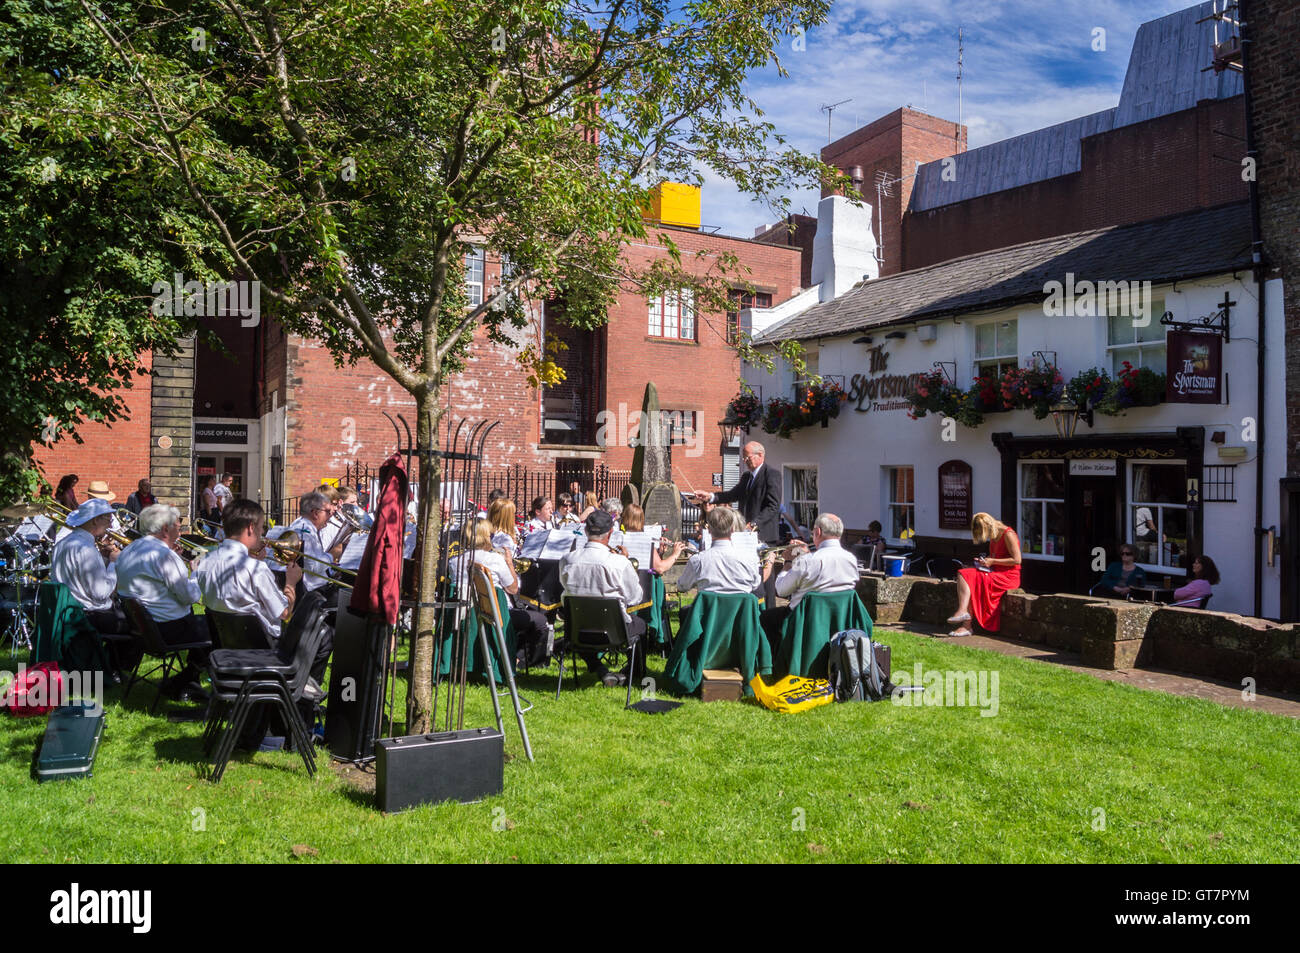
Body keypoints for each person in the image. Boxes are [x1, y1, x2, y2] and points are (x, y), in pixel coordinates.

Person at [115, 504, 212, 699]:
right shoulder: (164, 556)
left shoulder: (129, 549)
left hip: (143, 630)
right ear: (165, 529)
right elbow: (190, 597)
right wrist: (196, 573)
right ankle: (184, 681)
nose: (180, 530)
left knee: (204, 623)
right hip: (167, 630)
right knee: (217, 626)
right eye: (178, 525)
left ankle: (187, 681)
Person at [559, 509, 646, 686]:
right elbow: (635, 598)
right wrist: (628, 565)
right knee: (640, 624)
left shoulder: (567, 559)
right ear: (610, 533)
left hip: (577, 630)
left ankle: (599, 668)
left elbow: (565, 592)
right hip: (615, 632)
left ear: (585, 531)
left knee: (581, 617)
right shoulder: (620, 563)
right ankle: (634, 671)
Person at [195, 499, 303, 642]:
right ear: (251, 528)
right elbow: (284, 613)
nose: (263, 532)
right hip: (262, 647)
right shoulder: (257, 569)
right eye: (261, 527)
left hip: (223, 645)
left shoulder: (205, 561)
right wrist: (291, 582)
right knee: (322, 636)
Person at [454, 519, 549, 668]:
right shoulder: (495, 560)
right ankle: (522, 661)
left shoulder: (455, 561)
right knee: (540, 621)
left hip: (466, 613)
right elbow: (513, 589)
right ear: (486, 536)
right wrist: (509, 563)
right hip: (495, 614)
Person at [758, 513, 859, 649]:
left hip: (803, 620)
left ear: (817, 532)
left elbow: (781, 590)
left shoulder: (807, 561)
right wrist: (806, 555)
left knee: (762, 619)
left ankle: (773, 664)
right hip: (837, 620)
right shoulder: (851, 559)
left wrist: (788, 563)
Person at [51, 498, 128, 637]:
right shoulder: (86, 549)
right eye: (108, 519)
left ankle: (106, 657)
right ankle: (109, 658)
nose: (110, 525)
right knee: (143, 629)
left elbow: (80, 577)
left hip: (69, 613)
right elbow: (101, 593)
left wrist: (104, 558)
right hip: (90, 616)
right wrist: (114, 563)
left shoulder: (62, 543)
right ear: (94, 520)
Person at [692, 441, 782, 545]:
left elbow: (773, 506)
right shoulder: (746, 477)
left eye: (748, 458)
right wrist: (710, 496)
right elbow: (732, 495)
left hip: (763, 535)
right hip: (744, 533)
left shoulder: (771, 474)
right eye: (743, 458)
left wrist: (754, 524)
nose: (745, 461)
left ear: (760, 455)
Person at [947, 512, 1022, 637]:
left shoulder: (1008, 534)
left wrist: (992, 561)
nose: (985, 536)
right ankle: (965, 619)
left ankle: (965, 620)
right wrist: (985, 562)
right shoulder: (994, 535)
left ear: (987, 526)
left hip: (1008, 577)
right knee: (966, 574)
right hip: (996, 572)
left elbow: (1017, 560)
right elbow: (994, 558)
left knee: (966, 575)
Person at [677, 506, 768, 595]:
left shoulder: (698, 560)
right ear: (732, 530)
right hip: (741, 610)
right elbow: (755, 584)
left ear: (708, 531)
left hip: (710, 610)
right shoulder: (749, 559)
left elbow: (682, 587)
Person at [288, 491, 344, 595]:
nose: (331, 515)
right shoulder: (305, 532)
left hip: (316, 586)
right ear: (315, 513)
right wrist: (333, 554)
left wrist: (331, 571)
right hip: (313, 591)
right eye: (327, 511)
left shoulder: (304, 526)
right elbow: (313, 568)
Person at [620, 503, 683, 572]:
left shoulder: (617, 537)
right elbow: (660, 568)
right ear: (641, 520)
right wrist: (675, 554)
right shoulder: (645, 540)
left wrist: (660, 553)